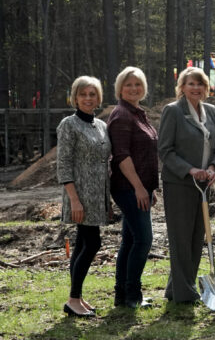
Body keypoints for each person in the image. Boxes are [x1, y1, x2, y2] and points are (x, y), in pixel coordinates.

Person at [158, 67, 215, 304]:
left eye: (200, 84)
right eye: (190, 84)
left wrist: (214, 168)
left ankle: (175, 288)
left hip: (204, 183)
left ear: (206, 88)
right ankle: (185, 293)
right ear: (182, 87)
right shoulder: (173, 111)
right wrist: (190, 170)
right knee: (181, 237)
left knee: (197, 236)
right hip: (179, 184)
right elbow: (165, 150)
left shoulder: (211, 111)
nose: (196, 88)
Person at [58, 76, 111, 317]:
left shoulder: (101, 126)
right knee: (93, 243)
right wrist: (74, 199)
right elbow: (64, 164)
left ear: (98, 97)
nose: (88, 99)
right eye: (83, 94)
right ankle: (72, 299)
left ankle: (76, 297)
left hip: (97, 195)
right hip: (79, 195)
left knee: (82, 244)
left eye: (92, 94)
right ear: (75, 97)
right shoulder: (68, 124)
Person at [108, 67, 157, 309]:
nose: (133, 88)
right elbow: (122, 156)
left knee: (129, 240)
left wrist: (150, 187)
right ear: (120, 88)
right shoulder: (121, 116)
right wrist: (139, 187)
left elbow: (144, 154)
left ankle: (122, 295)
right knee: (143, 240)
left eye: (138, 84)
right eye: (128, 85)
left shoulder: (137, 113)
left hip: (140, 187)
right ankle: (132, 295)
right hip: (128, 188)